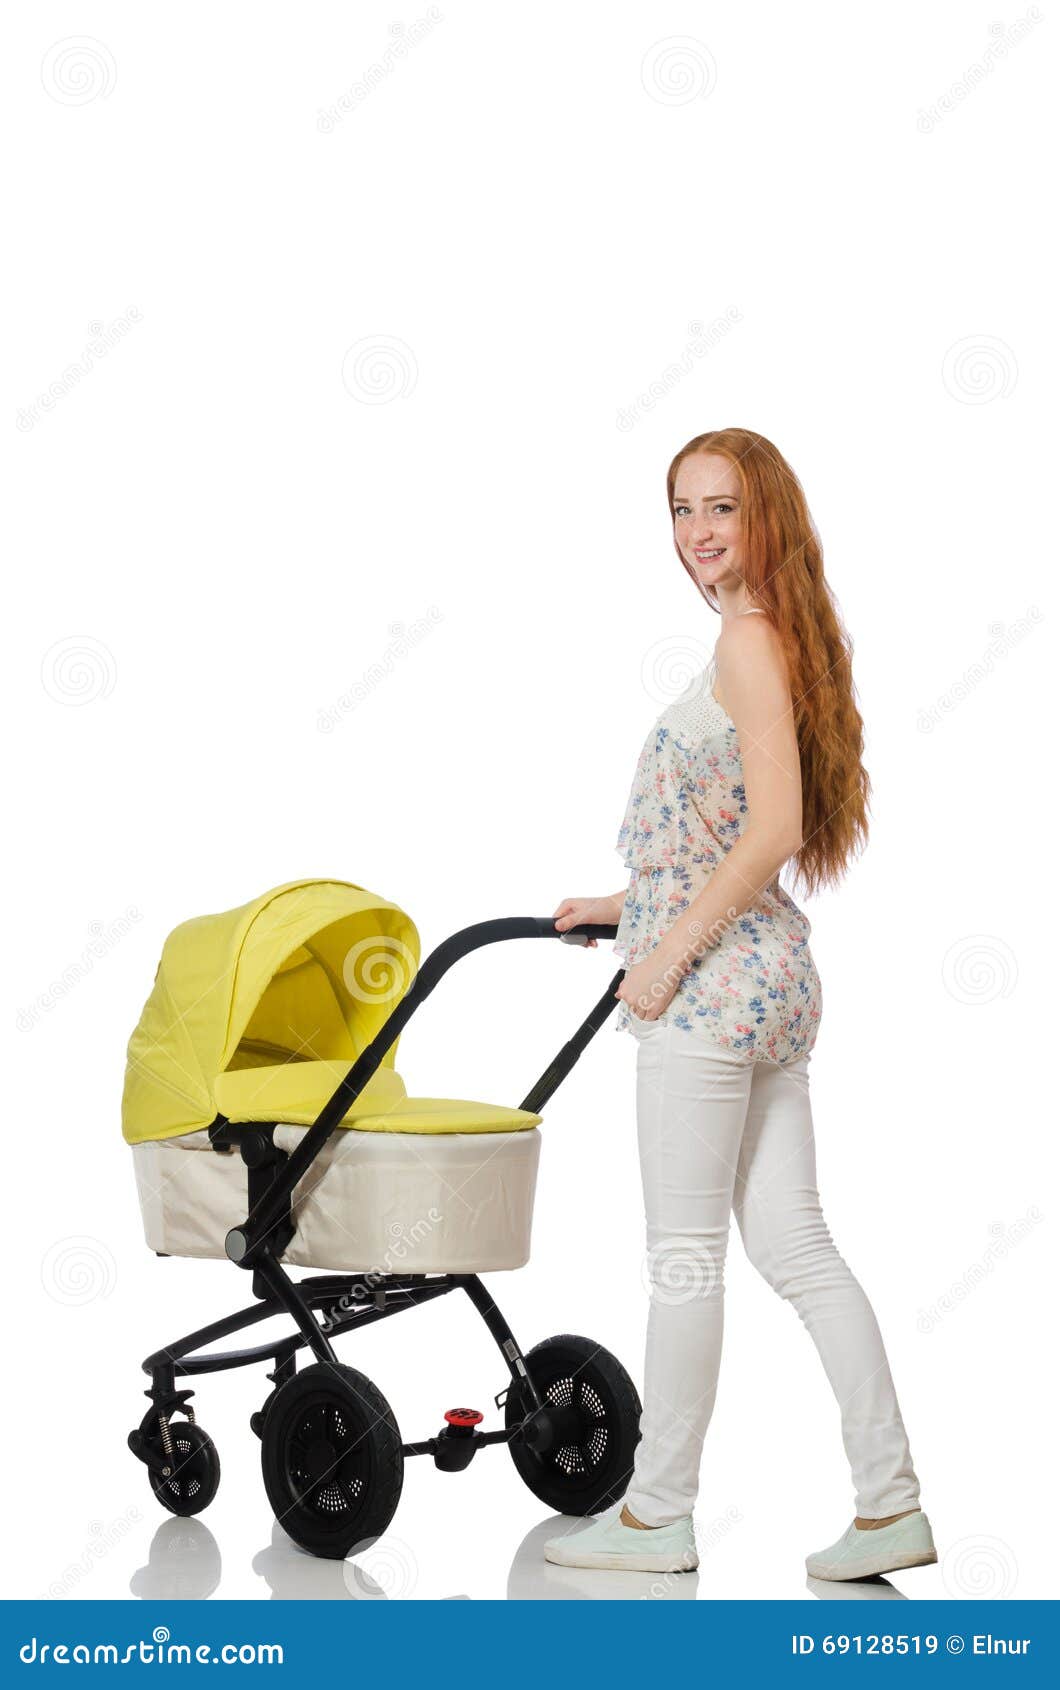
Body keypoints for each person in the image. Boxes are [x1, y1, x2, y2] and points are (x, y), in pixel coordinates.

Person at [543, 429, 937, 1581]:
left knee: (683, 1261)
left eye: (721, 507)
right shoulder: (774, 635)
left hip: (712, 996)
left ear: (768, 514)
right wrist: (622, 905)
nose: (698, 531)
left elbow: (772, 831)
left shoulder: (749, 640)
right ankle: (890, 1504)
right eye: (679, 509)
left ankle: (655, 1510)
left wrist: (659, 958)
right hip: (766, 983)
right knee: (798, 1247)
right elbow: (728, 828)